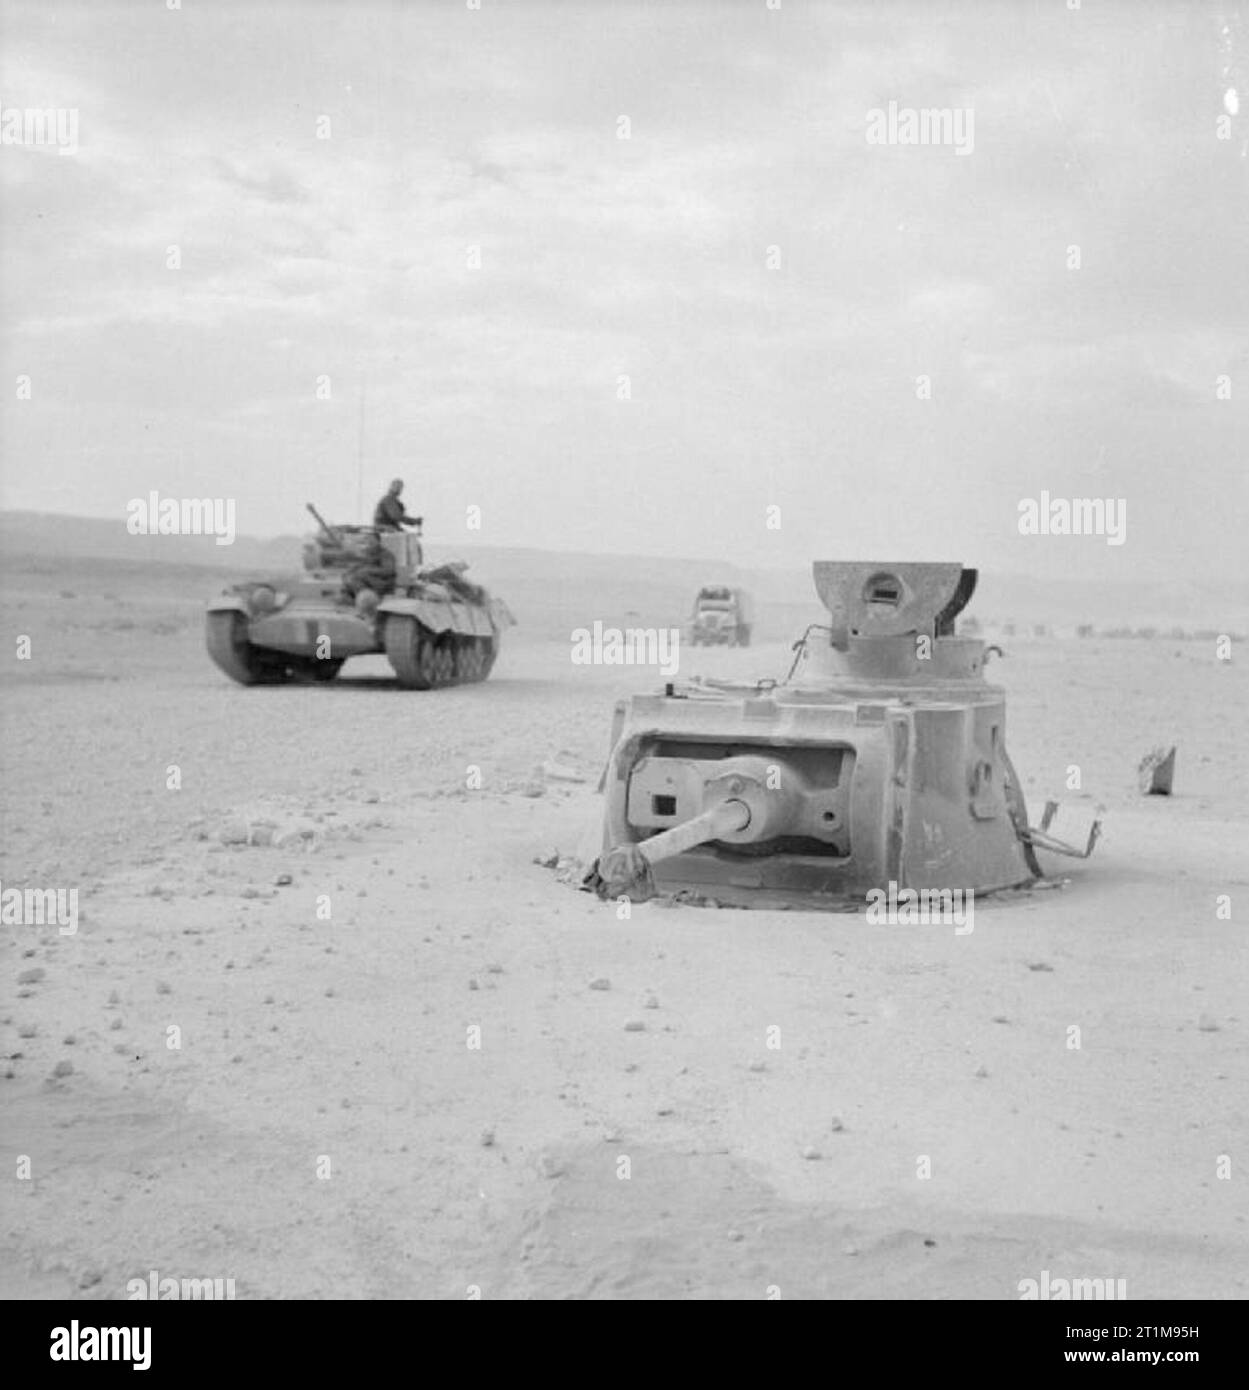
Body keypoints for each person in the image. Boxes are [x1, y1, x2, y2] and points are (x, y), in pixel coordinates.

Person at [342, 531, 397, 603]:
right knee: (349, 576)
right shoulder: (368, 553)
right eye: (368, 540)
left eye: (372, 540)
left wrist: (368, 570)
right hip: (369, 580)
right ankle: (357, 598)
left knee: (358, 577)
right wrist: (350, 571)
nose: (369, 542)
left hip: (383, 582)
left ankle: (367, 600)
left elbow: (388, 571)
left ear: (378, 541)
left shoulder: (386, 554)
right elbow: (360, 564)